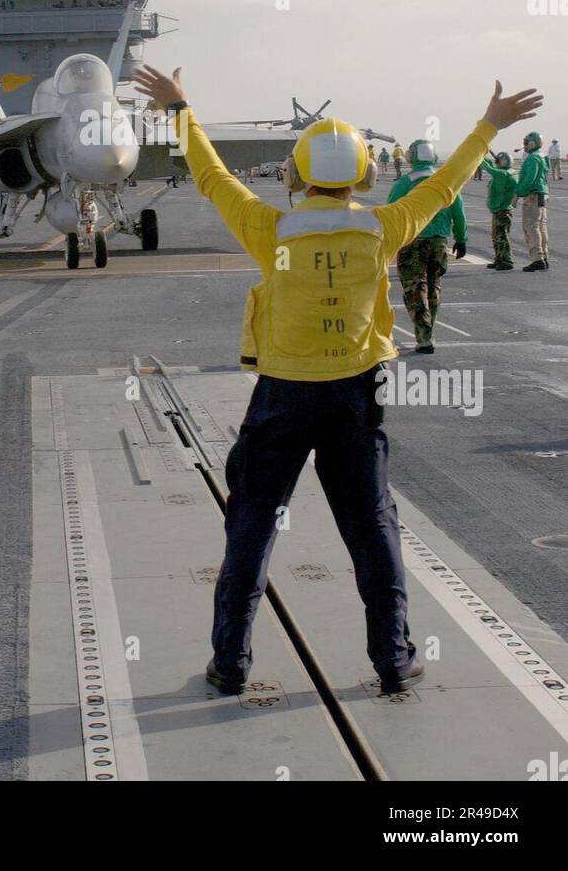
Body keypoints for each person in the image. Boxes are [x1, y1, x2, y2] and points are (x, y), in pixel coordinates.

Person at [132, 62, 541, 698]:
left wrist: (181, 107)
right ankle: (392, 657)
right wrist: (489, 126)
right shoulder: (383, 229)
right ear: (365, 174)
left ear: (295, 176)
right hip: (356, 395)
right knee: (373, 527)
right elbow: (444, 186)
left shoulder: (270, 231)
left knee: (252, 526)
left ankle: (231, 662)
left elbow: (211, 176)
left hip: (281, 398)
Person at [387, 139, 467, 354]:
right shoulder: (445, 182)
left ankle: (423, 336)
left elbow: (391, 213)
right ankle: (430, 333)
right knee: (434, 286)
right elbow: (458, 212)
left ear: (411, 156)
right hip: (439, 242)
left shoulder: (404, 183)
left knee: (415, 289)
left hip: (412, 242)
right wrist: (461, 239)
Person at [515, 131, 549, 271]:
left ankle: (537, 259)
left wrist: (517, 194)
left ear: (533, 143)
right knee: (541, 227)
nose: (525, 145)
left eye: (526, 142)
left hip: (533, 196)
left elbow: (529, 179)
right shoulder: (542, 156)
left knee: (531, 227)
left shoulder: (533, 159)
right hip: (542, 194)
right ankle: (543, 257)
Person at [479, 151, 517, 270]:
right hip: (500, 210)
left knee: (501, 236)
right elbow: (490, 166)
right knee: (497, 236)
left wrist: (478, 155)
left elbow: (487, 167)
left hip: (502, 210)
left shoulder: (502, 174)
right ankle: (499, 259)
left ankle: (506, 260)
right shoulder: (509, 172)